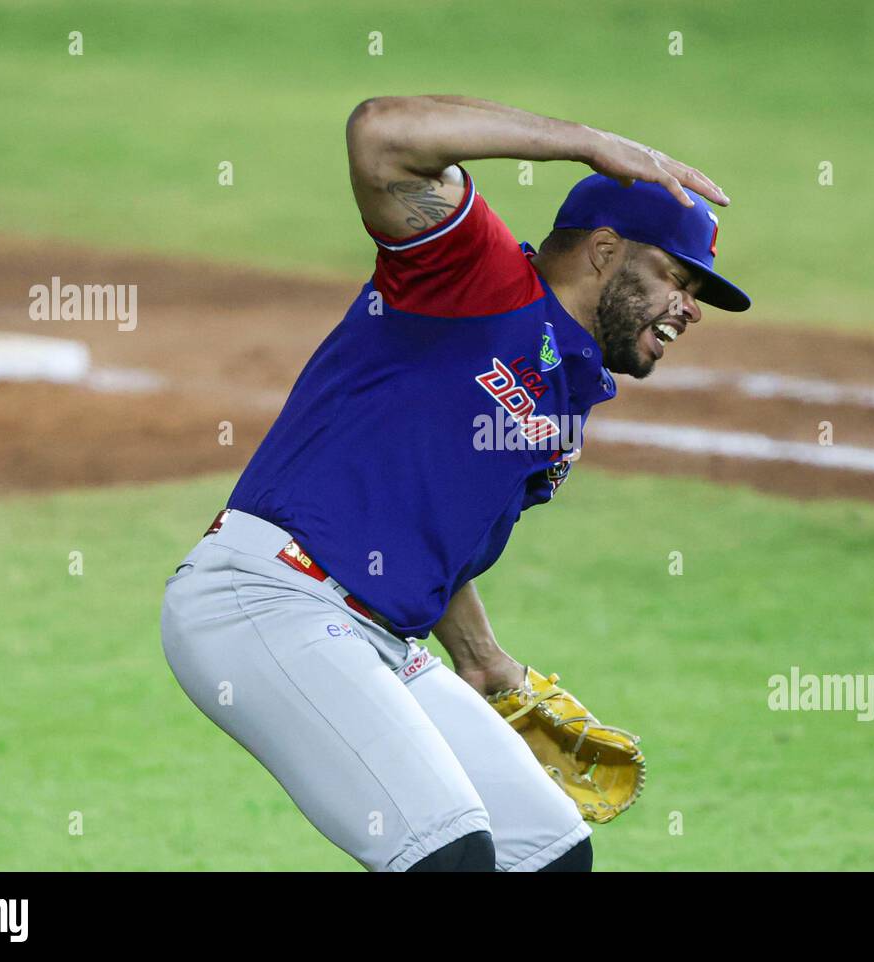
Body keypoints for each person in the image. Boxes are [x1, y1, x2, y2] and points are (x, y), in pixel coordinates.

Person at [160, 94, 750, 872]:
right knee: (449, 855)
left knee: (547, 853)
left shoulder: (567, 400)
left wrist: (482, 663)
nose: (690, 309)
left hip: (379, 640)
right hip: (266, 600)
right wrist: (586, 145)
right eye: (678, 277)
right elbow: (380, 133)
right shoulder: (473, 275)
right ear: (606, 251)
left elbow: (432, 536)